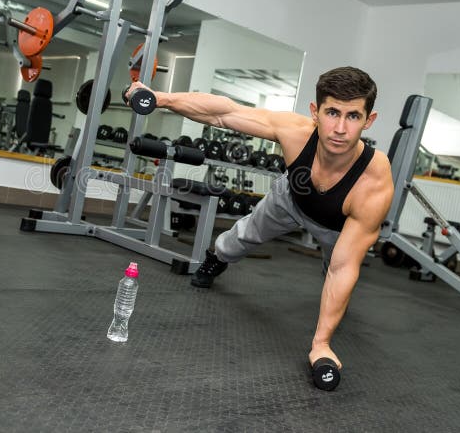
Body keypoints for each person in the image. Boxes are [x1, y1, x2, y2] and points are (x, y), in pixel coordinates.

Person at [125, 66, 394, 372]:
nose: (340, 128)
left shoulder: (374, 179)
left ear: (368, 121)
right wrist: (160, 98)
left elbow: (344, 267)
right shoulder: (295, 131)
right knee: (240, 237)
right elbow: (224, 114)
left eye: (353, 116)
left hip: (337, 226)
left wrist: (321, 345)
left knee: (338, 268)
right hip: (291, 198)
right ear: (315, 112)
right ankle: (217, 258)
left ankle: (328, 317)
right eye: (332, 112)